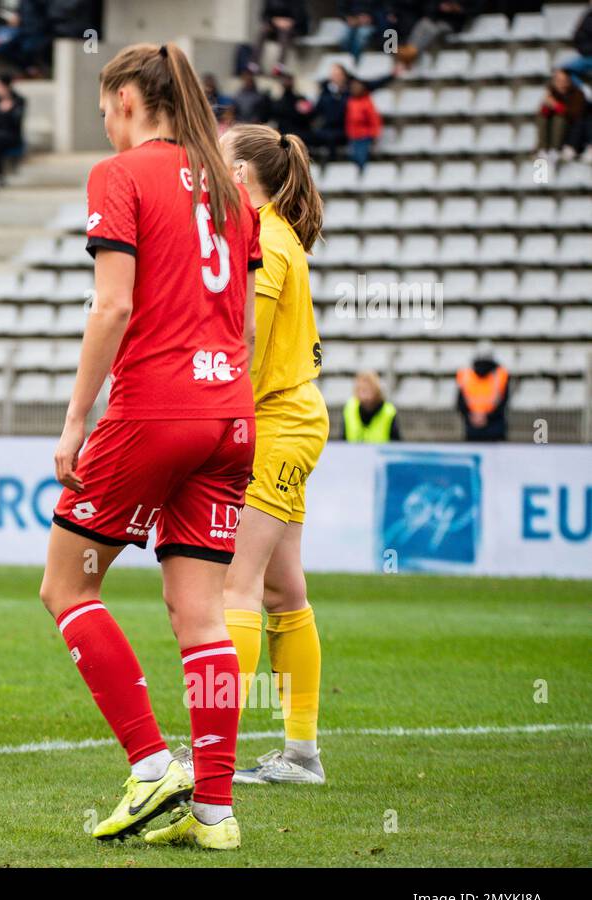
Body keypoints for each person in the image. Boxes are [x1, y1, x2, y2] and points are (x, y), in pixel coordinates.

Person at [39, 43, 261, 851]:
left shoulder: (120, 175)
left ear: (129, 96)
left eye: (105, 104)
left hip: (154, 409)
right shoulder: (234, 185)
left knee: (67, 586)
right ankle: (215, 812)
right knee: (201, 614)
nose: (105, 120)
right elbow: (243, 314)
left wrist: (75, 420)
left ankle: (149, 764)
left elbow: (113, 308)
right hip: (230, 413)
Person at [218, 124, 329, 787]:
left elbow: (248, 346)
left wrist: (221, 419)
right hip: (291, 417)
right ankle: (301, 754)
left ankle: (212, 753)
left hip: (275, 422)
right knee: (284, 587)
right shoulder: (273, 231)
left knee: (237, 581)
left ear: (240, 176)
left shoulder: (262, 238)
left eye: (219, 156)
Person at [456, 344, 508, 442]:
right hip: (495, 428)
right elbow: (503, 402)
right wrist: (487, 417)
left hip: (473, 427)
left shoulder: (465, 375)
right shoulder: (500, 375)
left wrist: (471, 416)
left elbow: (460, 403)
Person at [537, 69, 587, 160]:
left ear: (569, 81)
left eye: (564, 81)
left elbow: (575, 115)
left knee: (559, 119)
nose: (562, 84)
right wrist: (547, 103)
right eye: (558, 81)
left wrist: (556, 106)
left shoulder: (577, 93)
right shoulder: (551, 93)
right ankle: (543, 149)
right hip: (551, 130)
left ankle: (555, 150)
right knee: (542, 118)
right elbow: (544, 114)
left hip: (571, 132)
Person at [249, 0, 309, 75]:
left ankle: (280, 66)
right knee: (263, 31)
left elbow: (301, 16)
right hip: (275, 26)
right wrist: (274, 20)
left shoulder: (297, 2)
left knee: (284, 33)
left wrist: (288, 22)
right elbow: (264, 15)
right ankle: (254, 65)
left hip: (295, 28)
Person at [341, 370, 400, 442]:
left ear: (376, 390)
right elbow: (343, 441)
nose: (364, 394)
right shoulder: (350, 409)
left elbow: (396, 444)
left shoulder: (388, 412)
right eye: (361, 389)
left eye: (368, 389)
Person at [345, 78, 382, 169]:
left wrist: (374, 134)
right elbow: (348, 119)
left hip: (364, 135)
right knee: (353, 157)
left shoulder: (367, 102)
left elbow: (374, 120)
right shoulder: (350, 102)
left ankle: (362, 173)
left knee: (361, 156)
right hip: (353, 135)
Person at [268, 71, 313, 140]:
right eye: (285, 80)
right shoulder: (278, 101)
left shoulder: (300, 99)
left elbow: (308, 117)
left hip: (299, 134)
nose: (286, 82)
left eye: (288, 80)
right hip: (283, 134)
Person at [561, 5, 592, 81]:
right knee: (565, 71)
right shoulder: (588, 15)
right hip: (587, 56)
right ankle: (584, 91)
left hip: (588, 56)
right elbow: (579, 36)